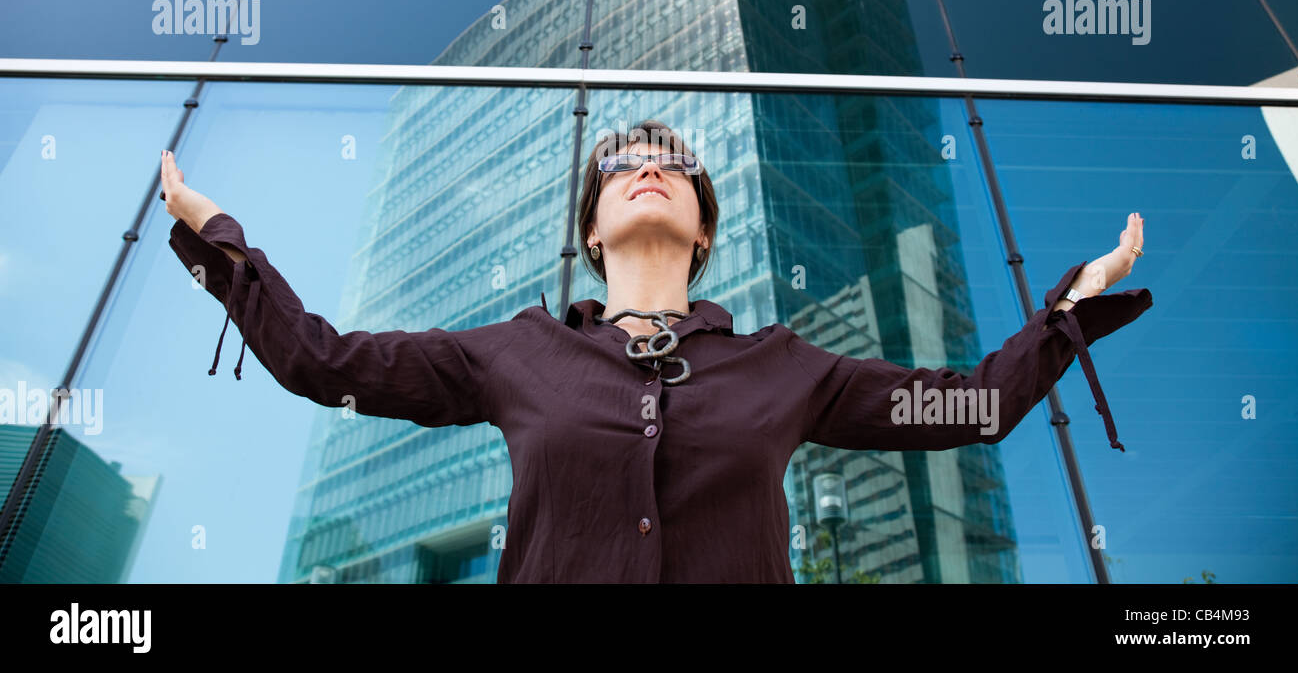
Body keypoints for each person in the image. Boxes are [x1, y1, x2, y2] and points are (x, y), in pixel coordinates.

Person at [159, 119, 1152, 583]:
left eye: (672, 166)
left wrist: (1065, 309)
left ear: (705, 229)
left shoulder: (786, 363)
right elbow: (324, 361)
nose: (648, 171)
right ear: (592, 228)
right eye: (623, 167)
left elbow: (968, 405)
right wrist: (223, 246)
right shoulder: (515, 349)